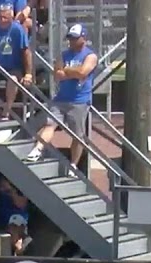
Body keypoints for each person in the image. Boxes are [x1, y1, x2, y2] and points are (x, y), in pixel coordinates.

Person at [25, 23, 96, 167]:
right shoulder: (64, 55)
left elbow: (83, 72)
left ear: (83, 38)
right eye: (70, 38)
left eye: (75, 38)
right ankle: (38, 149)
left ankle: (74, 164)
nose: (71, 41)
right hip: (61, 98)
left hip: (79, 101)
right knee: (50, 124)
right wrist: (73, 72)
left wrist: (68, 70)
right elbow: (57, 74)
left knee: (77, 136)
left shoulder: (90, 55)